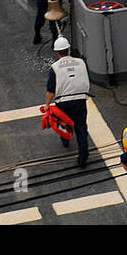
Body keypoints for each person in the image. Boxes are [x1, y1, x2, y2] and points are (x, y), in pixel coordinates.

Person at [46, 36, 89, 168]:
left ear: (57, 52)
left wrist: (47, 105)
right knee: (81, 128)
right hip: (80, 100)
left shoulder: (55, 68)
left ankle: (65, 140)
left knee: (63, 123)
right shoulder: (81, 62)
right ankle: (83, 158)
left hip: (63, 103)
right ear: (68, 49)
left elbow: (51, 90)